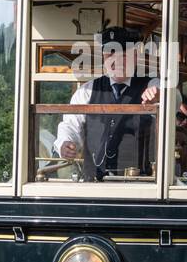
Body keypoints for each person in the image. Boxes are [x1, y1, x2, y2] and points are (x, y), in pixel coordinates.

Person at [54, 26, 160, 181]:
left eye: (123, 55)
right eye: (110, 54)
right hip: (94, 184)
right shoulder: (87, 91)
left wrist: (159, 96)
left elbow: (174, 99)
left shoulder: (152, 84)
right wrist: (65, 143)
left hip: (139, 185)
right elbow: (69, 125)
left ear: (135, 56)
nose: (116, 61)